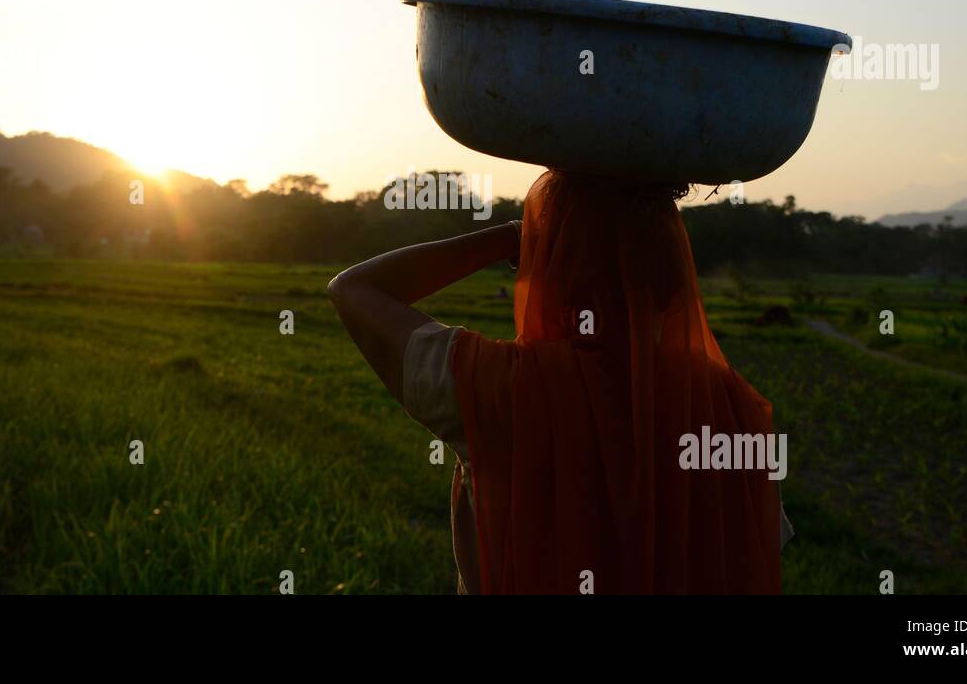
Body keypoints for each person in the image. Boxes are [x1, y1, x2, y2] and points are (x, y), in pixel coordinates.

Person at [328, 169, 791, 594]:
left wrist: (514, 237)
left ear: (549, 271)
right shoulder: (731, 407)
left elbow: (354, 290)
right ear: (674, 278)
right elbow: (762, 547)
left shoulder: (498, 385)